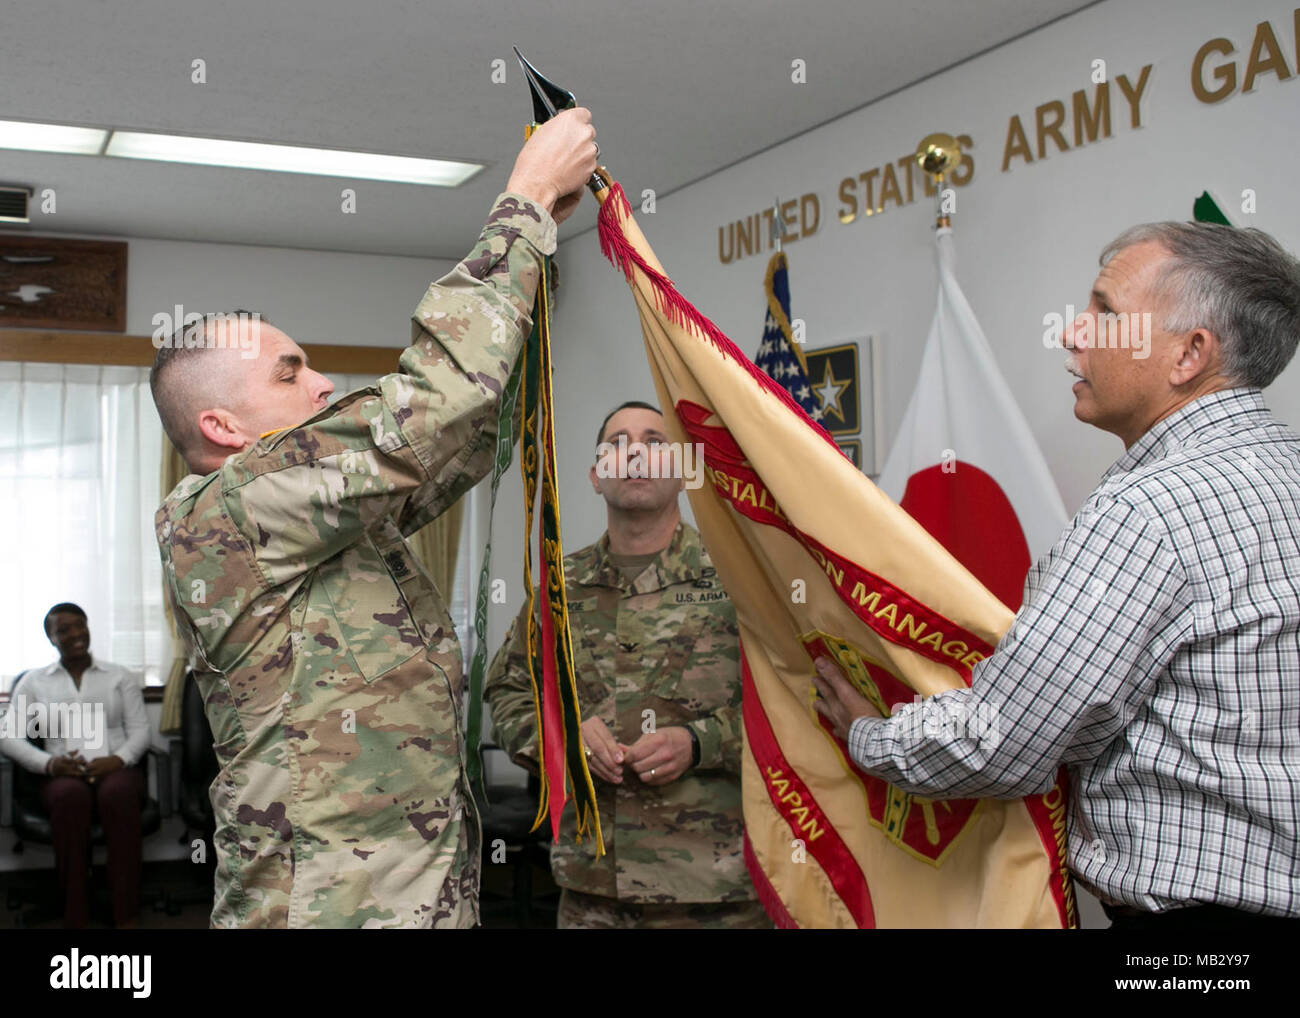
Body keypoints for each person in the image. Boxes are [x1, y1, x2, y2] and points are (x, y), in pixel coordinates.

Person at [150, 109, 598, 928]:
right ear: (221, 428)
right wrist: (522, 202)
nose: (321, 384)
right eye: (291, 373)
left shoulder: (323, 509)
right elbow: (431, 407)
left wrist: (535, 266)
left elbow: (462, 433)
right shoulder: (235, 504)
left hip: (410, 892)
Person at [813, 221, 1300, 928]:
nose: (1072, 333)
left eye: (1105, 311)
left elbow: (1003, 742)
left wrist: (868, 735)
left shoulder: (1152, 506)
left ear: (1190, 354)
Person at [485, 402, 766, 929]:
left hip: (717, 891)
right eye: (616, 443)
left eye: (655, 441)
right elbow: (507, 690)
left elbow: (790, 707)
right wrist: (564, 737)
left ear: (684, 471)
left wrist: (702, 743)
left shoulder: (739, 580)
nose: (634, 452)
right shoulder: (560, 587)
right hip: (593, 888)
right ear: (596, 476)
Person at [0, 603, 151, 928]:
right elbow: (7, 737)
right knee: (69, 797)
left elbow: (140, 731)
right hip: (63, 773)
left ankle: (126, 913)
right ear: (51, 638)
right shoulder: (34, 682)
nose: (74, 635)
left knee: (118, 794)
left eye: (79, 625)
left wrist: (118, 759)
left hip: (115, 768)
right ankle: (76, 914)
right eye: (63, 630)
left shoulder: (118, 676)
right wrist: (50, 764)